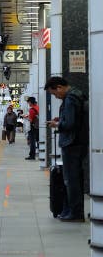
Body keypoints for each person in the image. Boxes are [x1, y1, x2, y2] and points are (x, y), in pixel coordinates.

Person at [45, 76, 88, 222]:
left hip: (71, 143)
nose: (56, 97)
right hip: (79, 142)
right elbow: (74, 119)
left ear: (59, 87)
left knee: (71, 179)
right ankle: (74, 211)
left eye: (54, 94)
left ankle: (75, 213)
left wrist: (57, 124)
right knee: (75, 178)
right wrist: (61, 119)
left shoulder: (70, 99)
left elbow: (70, 124)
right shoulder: (78, 95)